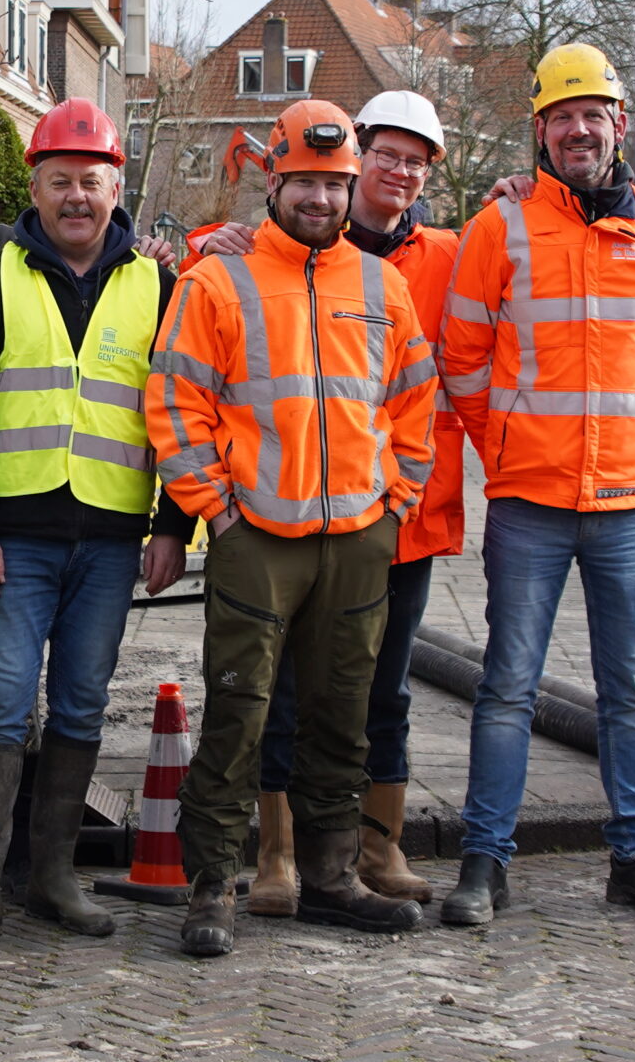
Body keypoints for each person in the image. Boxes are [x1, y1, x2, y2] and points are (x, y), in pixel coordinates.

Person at [148, 97, 438, 957]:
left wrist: (398, 497)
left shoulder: (383, 285)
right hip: (257, 534)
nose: (320, 198)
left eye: (335, 183)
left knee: (341, 713)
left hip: (358, 534)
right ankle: (212, 884)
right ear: (272, 178)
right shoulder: (217, 278)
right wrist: (217, 508)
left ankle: (332, 876)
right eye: (305, 180)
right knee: (238, 711)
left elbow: (416, 398)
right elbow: (174, 399)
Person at [436, 43, 635, 926]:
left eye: (593, 114)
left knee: (631, 688)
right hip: (531, 498)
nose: (578, 129)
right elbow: (463, 359)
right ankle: (485, 861)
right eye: (561, 116)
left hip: (630, 500)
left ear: (618, 124)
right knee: (507, 683)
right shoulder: (501, 227)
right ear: (541, 131)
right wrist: (507, 444)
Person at [0, 97, 190, 954]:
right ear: (34, 187)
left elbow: (184, 412)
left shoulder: (158, 284)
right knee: (0, 702)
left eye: (93, 181)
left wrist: (173, 525)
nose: (77, 197)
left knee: (80, 701)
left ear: (119, 187)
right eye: (60, 181)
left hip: (112, 540)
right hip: (14, 539)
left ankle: (53, 875)